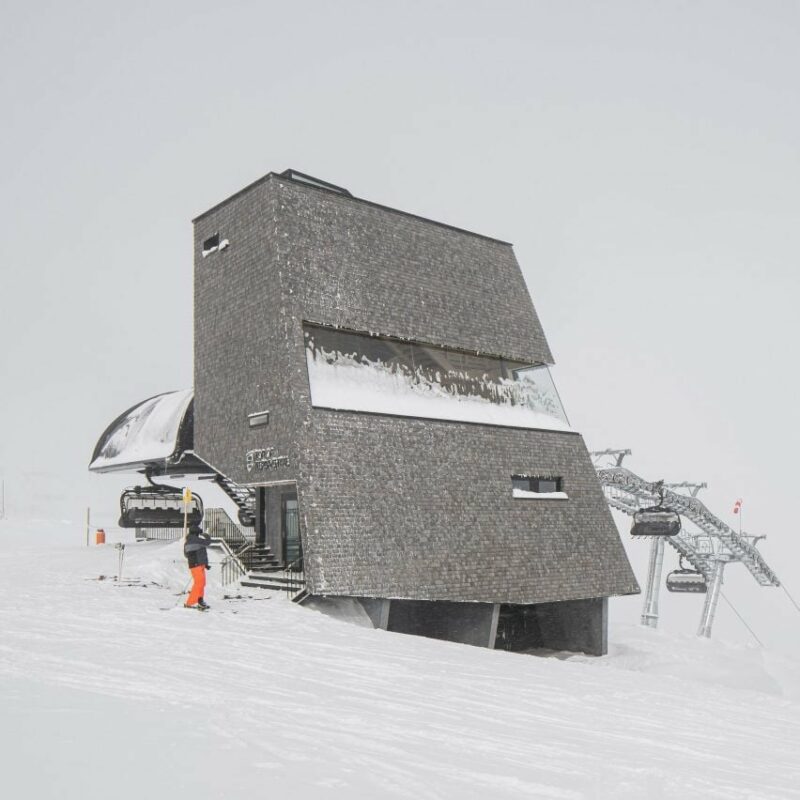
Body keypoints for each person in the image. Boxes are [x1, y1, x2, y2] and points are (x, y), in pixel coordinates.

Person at [183, 524, 212, 610]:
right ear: (196, 533)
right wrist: (206, 535)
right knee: (199, 583)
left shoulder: (188, 541)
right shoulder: (195, 540)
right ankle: (189, 603)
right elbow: (207, 542)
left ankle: (200, 601)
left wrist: (205, 564)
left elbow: (186, 555)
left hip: (198, 564)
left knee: (202, 583)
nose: (199, 534)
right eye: (199, 533)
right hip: (196, 565)